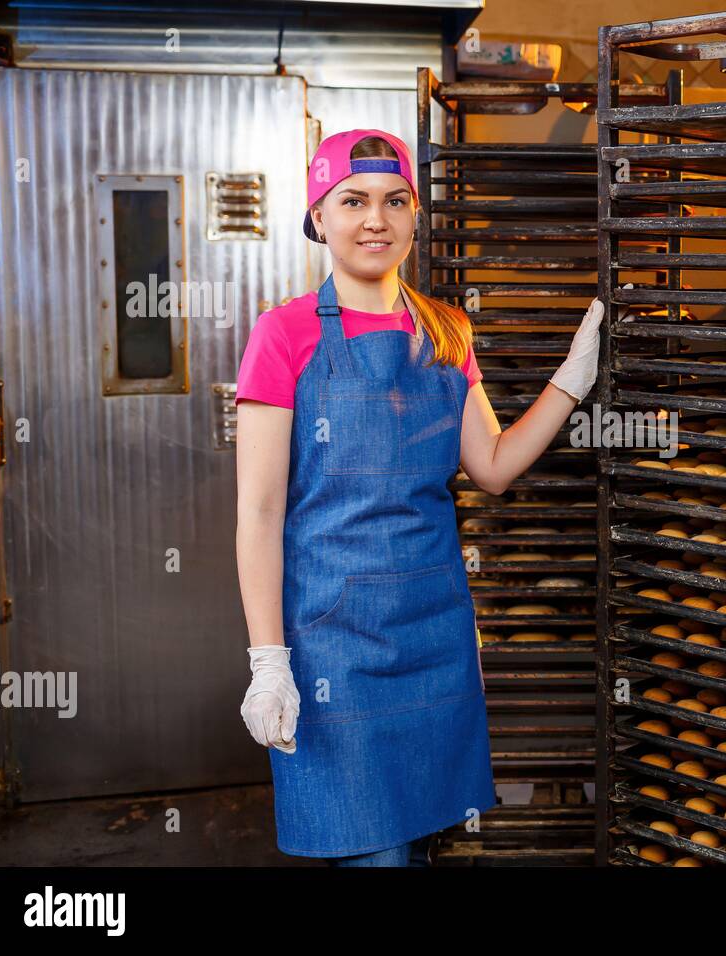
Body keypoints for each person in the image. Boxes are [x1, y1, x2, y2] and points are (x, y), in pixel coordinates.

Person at [233, 128, 603, 866]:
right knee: (372, 853)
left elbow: (492, 467)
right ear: (318, 216)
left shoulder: (445, 329)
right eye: (353, 200)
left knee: (422, 848)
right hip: (333, 645)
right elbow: (261, 511)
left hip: (433, 634)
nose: (376, 218)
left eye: (395, 201)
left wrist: (571, 379)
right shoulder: (285, 335)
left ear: (414, 216)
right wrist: (268, 660)